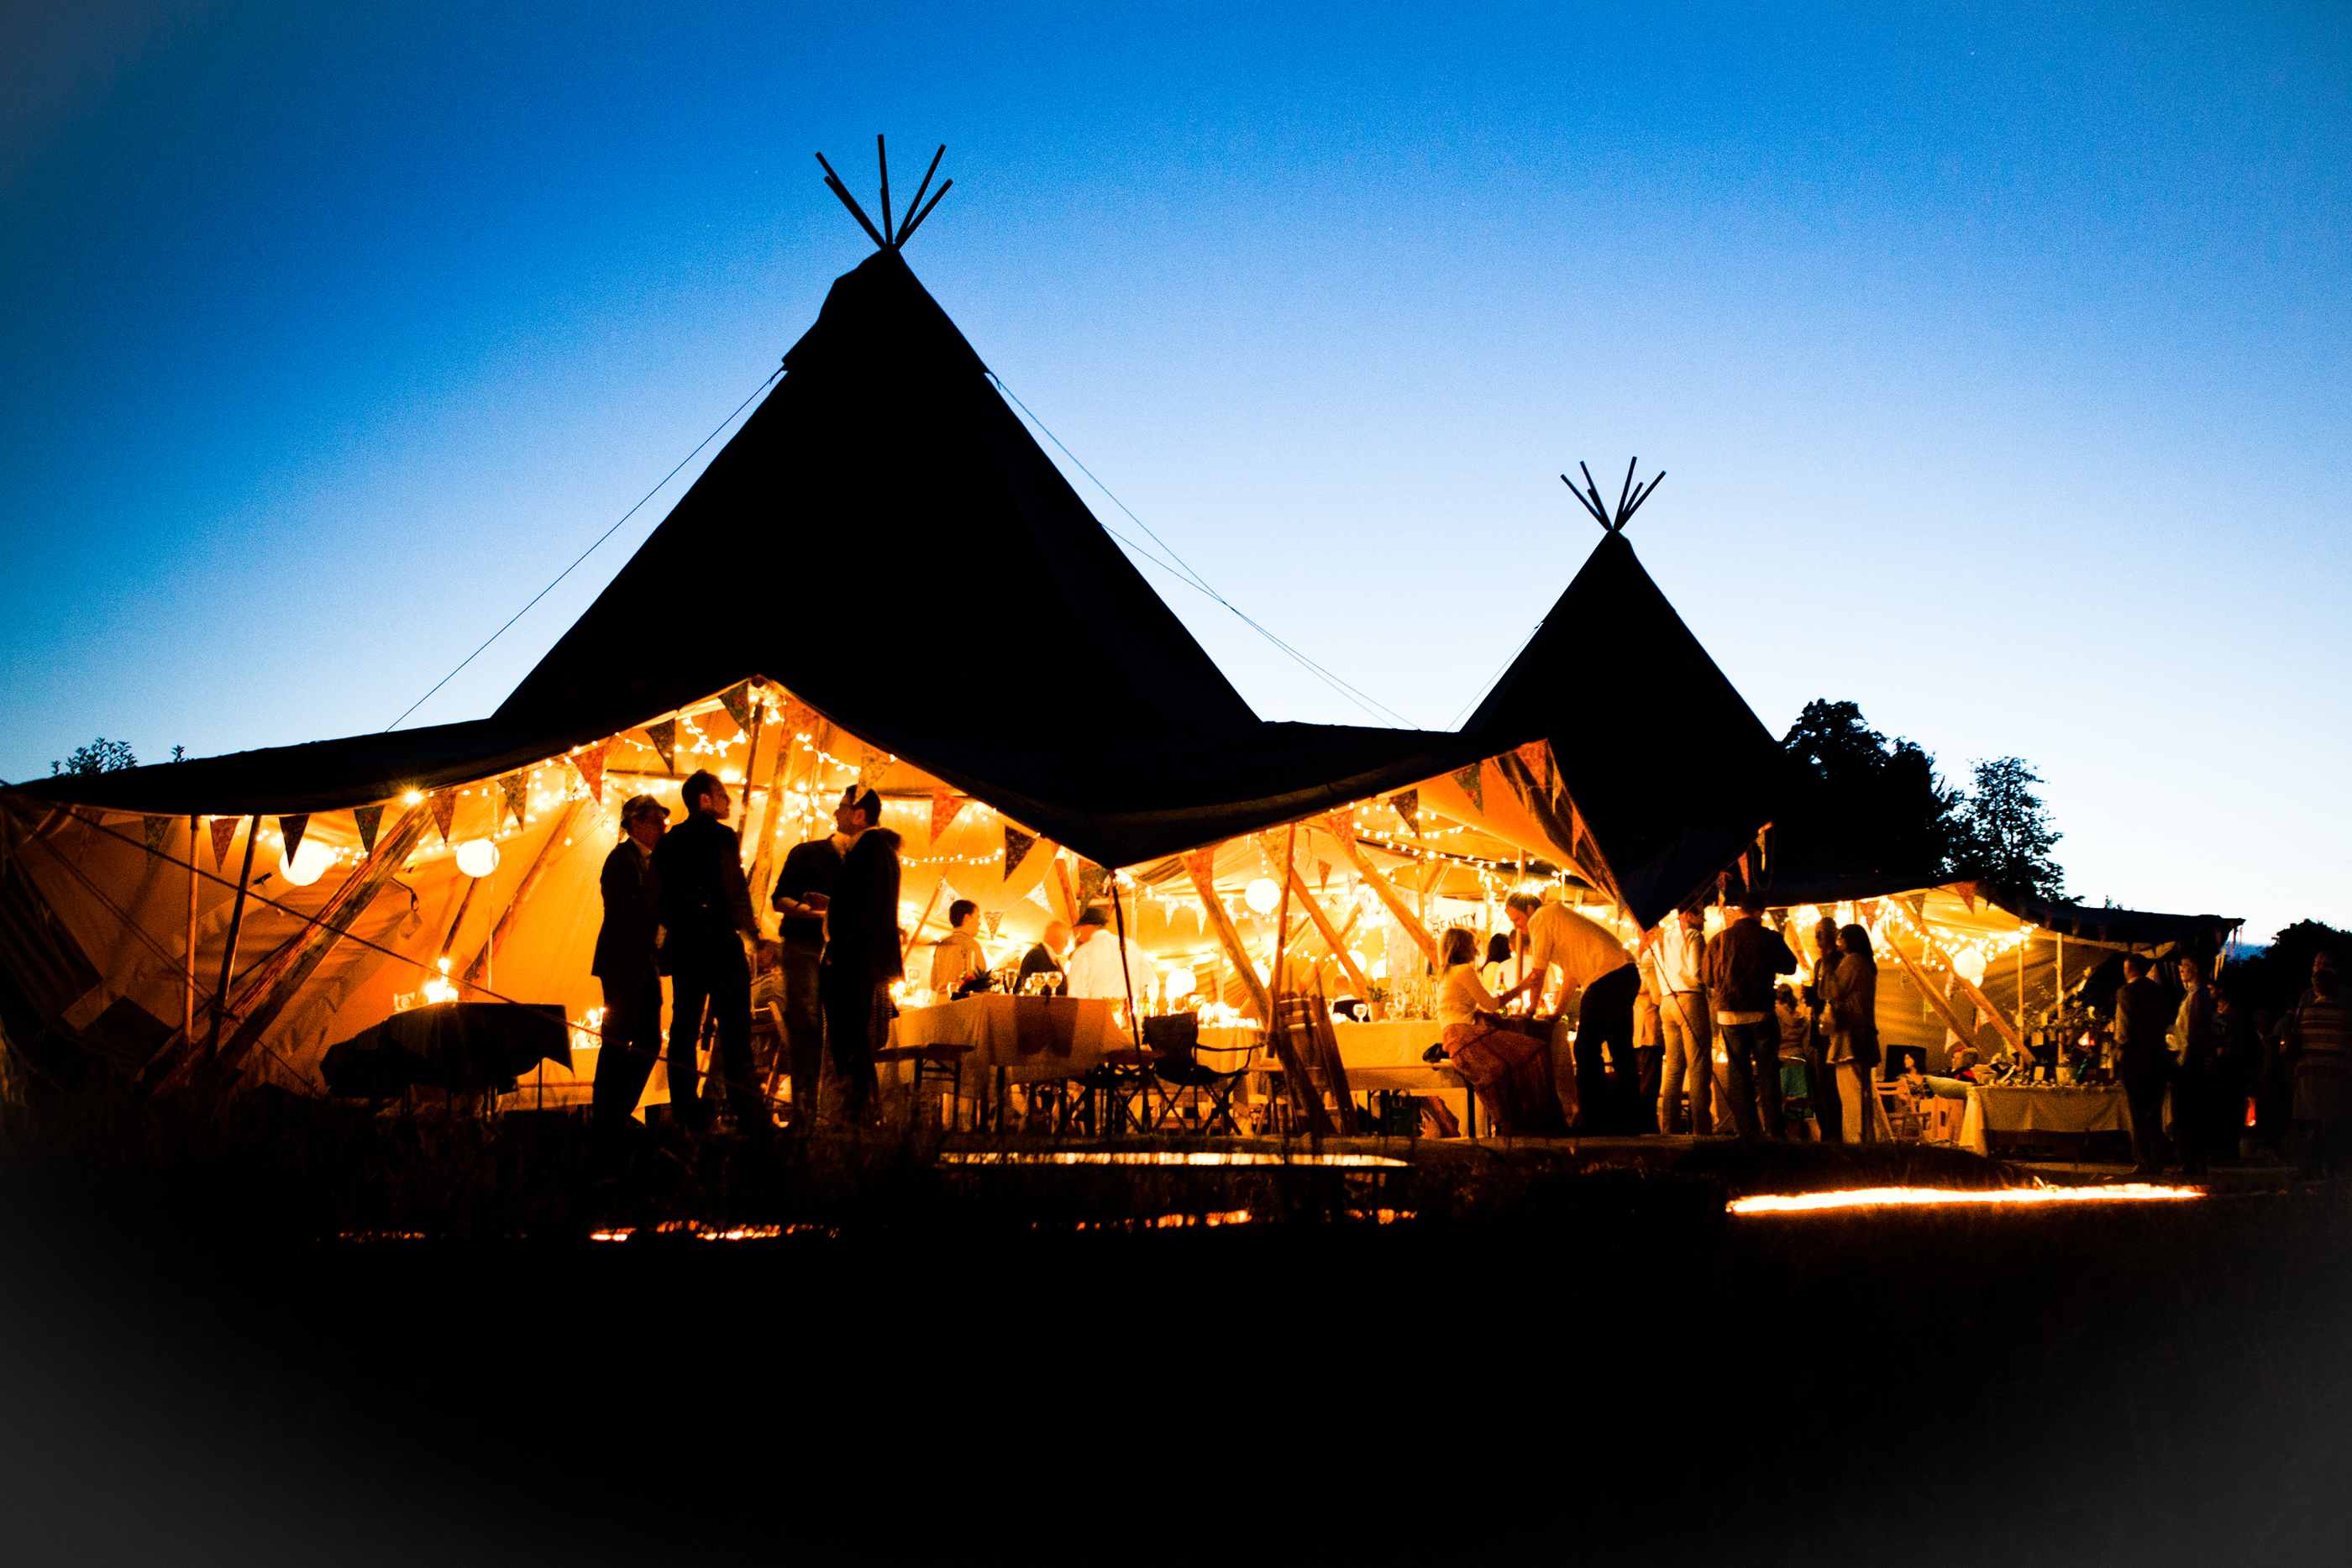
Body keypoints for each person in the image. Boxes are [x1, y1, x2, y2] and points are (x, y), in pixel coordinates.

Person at [653, 770, 778, 1135]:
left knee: (683, 1029)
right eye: (721, 794)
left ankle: (686, 1111)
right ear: (704, 800)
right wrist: (753, 937)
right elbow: (735, 890)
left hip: (685, 946)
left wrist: (677, 922)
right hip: (720, 946)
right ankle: (748, 1114)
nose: (729, 800)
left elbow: (656, 896)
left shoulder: (669, 841)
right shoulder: (722, 837)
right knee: (736, 1030)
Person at [1499, 892, 1641, 1135]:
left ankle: (1596, 1121)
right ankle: (1629, 1121)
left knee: (1586, 1048)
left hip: (1606, 977)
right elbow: (1571, 975)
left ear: (1530, 909)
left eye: (1517, 919)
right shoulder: (1558, 918)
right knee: (1621, 1051)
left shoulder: (1541, 918)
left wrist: (1530, 1009)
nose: (1517, 927)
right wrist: (1557, 1013)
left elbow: (1538, 972)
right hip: (1626, 973)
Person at [769, 786, 869, 1126]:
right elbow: (779, 899)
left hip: (846, 954)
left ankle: (842, 1112)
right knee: (808, 1024)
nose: (837, 812)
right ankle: (804, 1110)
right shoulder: (807, 853)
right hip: (804, 946)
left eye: (843, 806)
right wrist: (819, 915)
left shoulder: (870, 862)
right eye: (841, 807)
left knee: (845, 1029)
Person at [588, 794, 669, 1169]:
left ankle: (616, 1112)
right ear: (635, 823)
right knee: (618, 1039)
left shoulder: (654, 863)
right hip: (623, 962)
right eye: (656, 820)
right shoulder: (621, 860)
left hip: (644, 962)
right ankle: (606, 1116)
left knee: (649, 1039)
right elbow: (623, 911)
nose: (662, 826)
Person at [819, 787, 901, 1126]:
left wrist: (833, 953)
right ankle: (864, 1110)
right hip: (863, 959)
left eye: (841, 807)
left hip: (853, 960)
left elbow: (861, 908)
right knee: (854, 1038)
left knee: (847, 1037)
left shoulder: (867, 850)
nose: (835, 813)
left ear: (859, 815)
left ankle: (857, 1112)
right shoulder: (877, 850)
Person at [1433, 926, 1566, 1136]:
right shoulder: (1464, 970)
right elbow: (1492, 1004)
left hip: (1453, 1037)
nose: (1477, 951)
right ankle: (1536, 1120)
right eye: (1473, 946)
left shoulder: (1445, 974)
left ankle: (1515, 1122)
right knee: (1537, 1051)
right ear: (1463, 947)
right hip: (1466, 1034)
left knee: (1514, 1059)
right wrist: (1522, 987)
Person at [1701, 895, 1798, 1138]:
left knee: (1738, 1071)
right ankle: (1775, 1130)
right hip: (1761, 1012)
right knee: (1768, 1070)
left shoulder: (1718, 940)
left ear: (1740, 912)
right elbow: (1790, 966)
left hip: (1729, 1015)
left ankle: (1748, 1131)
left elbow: (1707, 979)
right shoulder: (1768, 937)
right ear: (1759, 912)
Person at [1644, 906, 1712, 1135]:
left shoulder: (1661, 939)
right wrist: (1708, 987)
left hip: (1667, 1002)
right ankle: (1702, 1131)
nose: (1703, 918)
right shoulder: (1694, 936)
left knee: (1673, 1069)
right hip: (1690, 999)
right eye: (1700, 912)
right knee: (1699, 1067)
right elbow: (1696, 972)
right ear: (1689, 915)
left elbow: (1650, 964)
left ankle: (1670, 1129)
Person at [2284, 954, 2352, 1177]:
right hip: (2338, 1074)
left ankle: (2310, 1166)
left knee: (2309, 1119)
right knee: (2335, 1121)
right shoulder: (2345, 1016)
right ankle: (2333, 1166)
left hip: (2309, 1073)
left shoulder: (2306, 1015)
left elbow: (2295, 1042)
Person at [1823, 924, 1885, 1143]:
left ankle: (1860, 1141)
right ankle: (1870, 1139)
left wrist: (1828, 966)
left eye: (1841, 939)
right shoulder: (1865, 963)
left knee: (1853, 1095)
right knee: (1863, 1094)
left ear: (1850, 941)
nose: (1838, 943)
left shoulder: (1854, 962)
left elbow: (1834, 991)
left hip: (1851, 1037)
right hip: (1862, 1035)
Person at [2113, 953, 2174, 1175]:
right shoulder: (2160, 992)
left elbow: (2124, 1028)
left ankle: (2143, 1158)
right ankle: (2158, 1156)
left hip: (2135, 1058)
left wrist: (2122, 1051)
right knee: (2154, 1110)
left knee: (2138, 1111)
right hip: (2158, 1056)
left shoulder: (2126, 992)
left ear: (2130, 968)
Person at [2170, 956, 2219, 1175]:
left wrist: (2183, 1059)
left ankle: (2193, 1160)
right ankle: (2193, 1159)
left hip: (2190, 1060)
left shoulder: (2198, 996)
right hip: (2190, 1057)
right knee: (2191, 1113)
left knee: (2189, 1113)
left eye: (2186, 966)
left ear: (2196, 969)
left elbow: (2191, 1033)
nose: (2181, 970)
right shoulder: (2194, 994)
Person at [1803, 916, 1845, 1142]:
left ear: (1833, 934)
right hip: (1818, 1032)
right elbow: (1820, 992)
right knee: (1822, 1087)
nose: (1817, 938)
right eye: (1816, 933)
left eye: (1821, 933)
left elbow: (1837, 993)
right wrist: (1810, 995)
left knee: (1834, 1085)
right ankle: (1827, 1134)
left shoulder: (1841, 960)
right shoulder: (1819, 963)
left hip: (1834, 1031)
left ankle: (1837, 1134)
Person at [1063, 905, 1152, 1004]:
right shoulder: (1130, 945)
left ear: (1089, 927)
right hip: (1130, 1013)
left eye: (1080, 931)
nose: (1079, 938)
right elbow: (1149, 980)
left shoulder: (1083, 952)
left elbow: (1076, 993)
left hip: (1098, 1014)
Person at [928, 899, 990, 995]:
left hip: (940, 1003)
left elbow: (934, 984)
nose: (979, 923)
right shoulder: (973, 945)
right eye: (977, 917)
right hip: (963, 1003)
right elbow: (981, 984)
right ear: (967, 918)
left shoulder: (941, 945)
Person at [1016, 920, 1071, 995]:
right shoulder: (1035, 956)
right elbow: (1029, 988)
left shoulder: (1052, 957)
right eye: (1066, 940)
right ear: (1057, 938)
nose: (1067, 944)